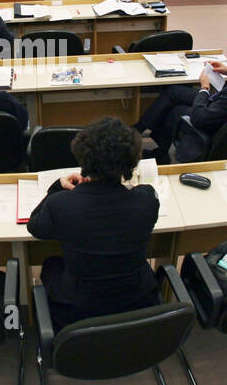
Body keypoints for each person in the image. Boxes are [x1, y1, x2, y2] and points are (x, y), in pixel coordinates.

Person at [28, 117, 160, 330]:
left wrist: (57, 187)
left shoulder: (61, 204)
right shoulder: (146, 200)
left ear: (83, 157)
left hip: (78, 309)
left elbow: (35, 226)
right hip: (137, 302)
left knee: (51, 263)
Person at [136, 33, 227, 163]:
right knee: (174, 92)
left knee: (176, 111)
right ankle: (139, 128)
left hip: (219, 123)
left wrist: (204, 88)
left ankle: (160, 153)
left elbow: (199, 118)